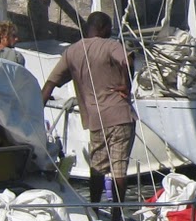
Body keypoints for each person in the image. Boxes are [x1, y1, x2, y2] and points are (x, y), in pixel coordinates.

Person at [39, 11, 136, 205]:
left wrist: (35, 111)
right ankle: (117, 215)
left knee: (97, 166)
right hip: (119, 115)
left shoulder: (71, 52)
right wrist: (127, 83)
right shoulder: (111, 45)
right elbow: (128, 60)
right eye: (109, 27)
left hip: (95, 119)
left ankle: (94, 208)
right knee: (118, 168)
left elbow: (50, 83)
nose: (111, 31)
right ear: (102, 28)